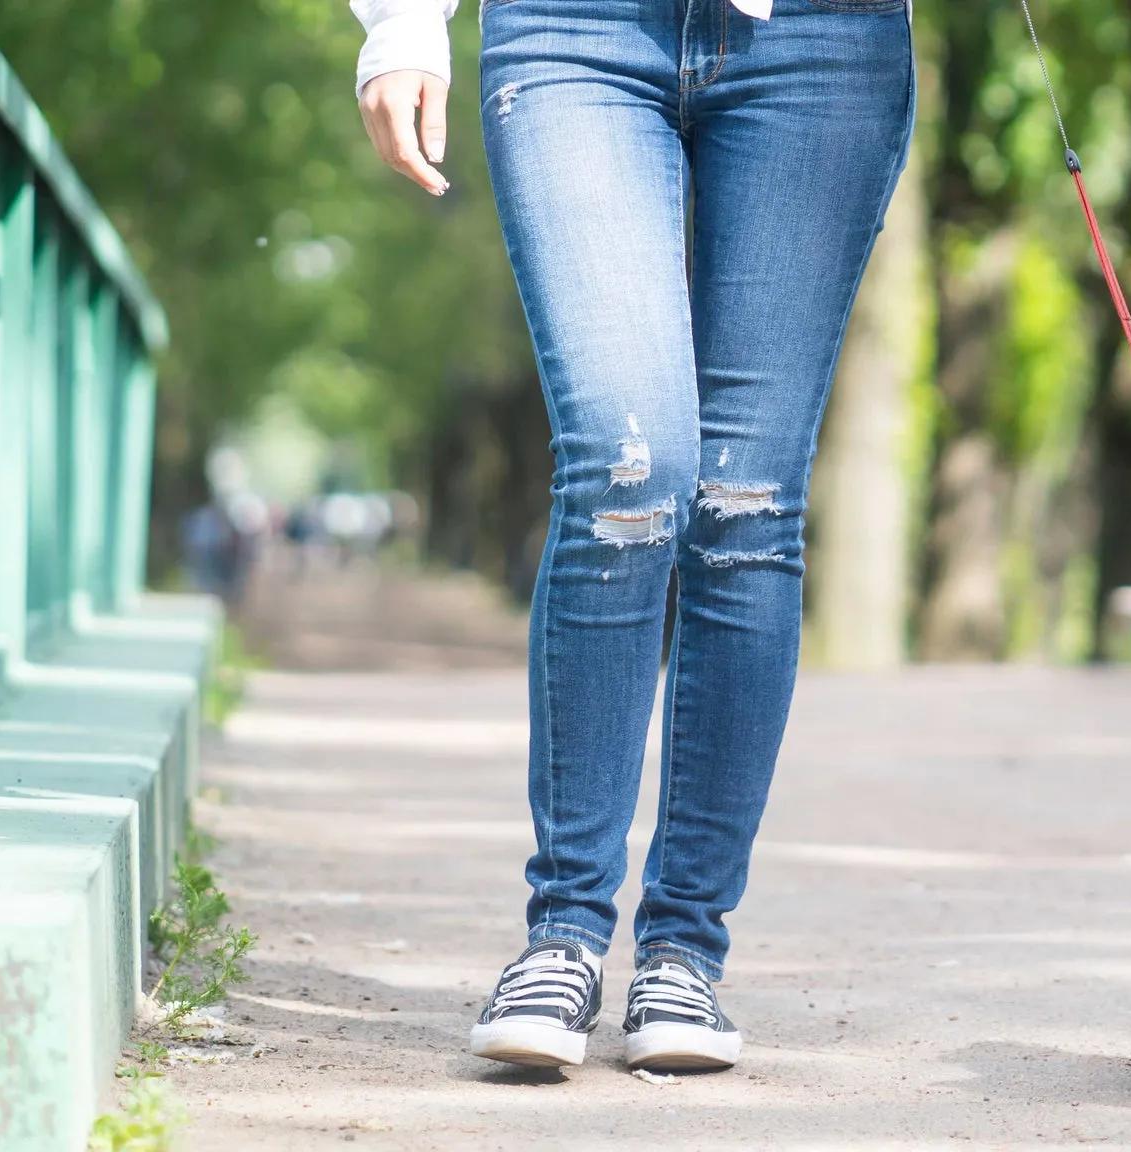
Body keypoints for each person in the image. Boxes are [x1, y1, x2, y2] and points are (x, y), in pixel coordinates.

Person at [350, 0, 914, 1075]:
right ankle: (562, 935)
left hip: (823, 38)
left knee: (745, 502)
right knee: (629, 463)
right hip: (574, 28)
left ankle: (683, 956)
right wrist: (403, 24)